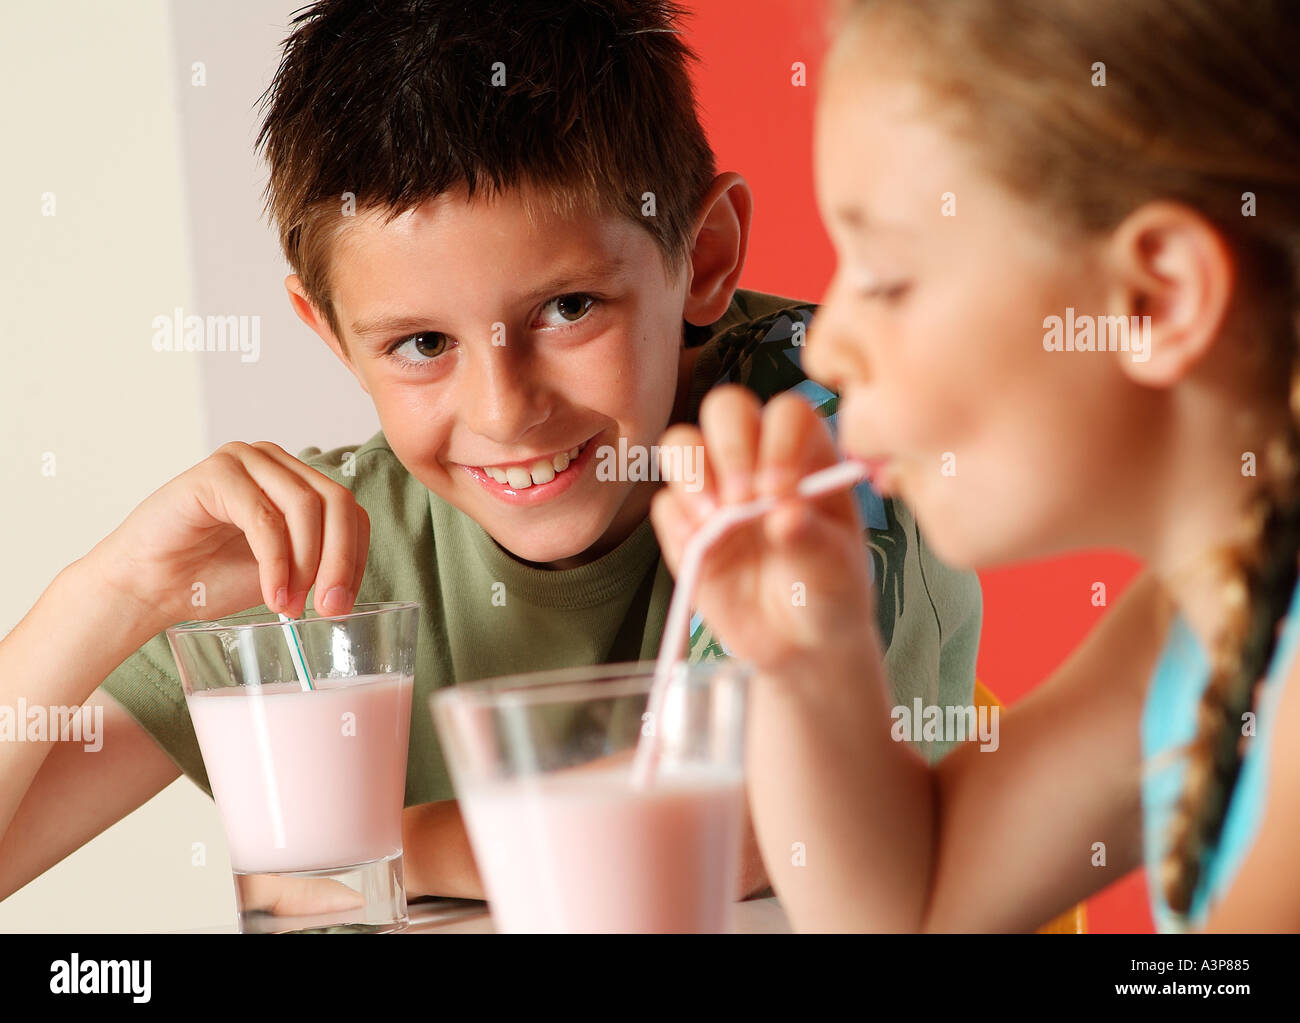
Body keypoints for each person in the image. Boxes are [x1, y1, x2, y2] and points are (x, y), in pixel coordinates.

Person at [0, 0, 980, 909]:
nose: (505, 413)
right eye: (421, 344)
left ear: (704, 255)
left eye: (567, 309)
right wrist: (112, 594)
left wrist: (374, 851)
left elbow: (764, 822)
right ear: (333, 335)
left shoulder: (815, 427)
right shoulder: (331, 549)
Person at [653, 0, 1300, 932]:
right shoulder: (1196, 622)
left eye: (886, 278)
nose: (827, 346)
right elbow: (918, 907)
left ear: (1152, 299)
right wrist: (814, 659)